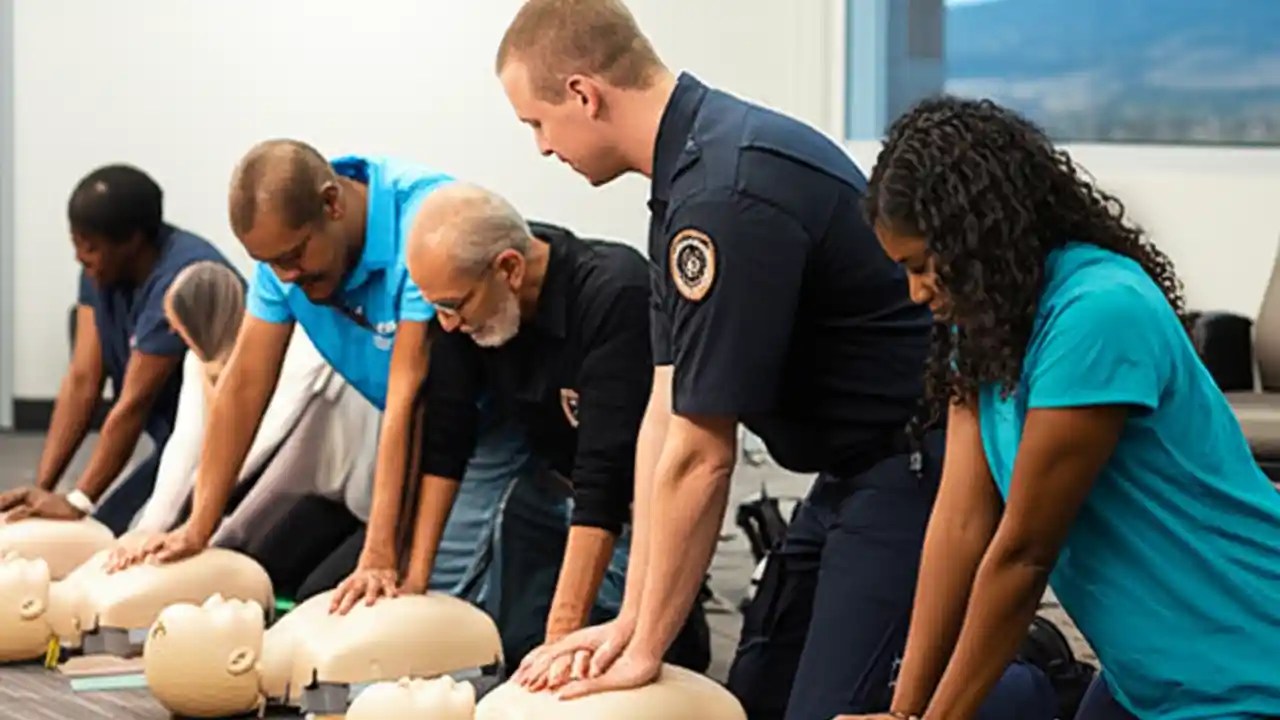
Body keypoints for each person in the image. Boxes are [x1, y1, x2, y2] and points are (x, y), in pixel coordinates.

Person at [493, 3, 1055, 719]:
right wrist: (632, 622)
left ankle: (1031, 681)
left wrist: (645, 651)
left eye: (536, 123)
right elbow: (666, 415)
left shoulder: (725, 194)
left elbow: (703, 455)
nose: (541, 147)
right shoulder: (685, 176)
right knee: (753, 700)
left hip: (916, 467)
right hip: (847, 471)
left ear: (583, 93)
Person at [840, 96, 1280, 720]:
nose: (915, 292)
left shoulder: (1098, 312)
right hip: (1145, 677)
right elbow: (961, 521)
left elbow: (1023, 554)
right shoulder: (987, 321)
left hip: (1248, 660)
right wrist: (902, 711)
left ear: (974, 235)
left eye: (921, 266)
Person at [116, 140, 539, 613]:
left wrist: (380, 551)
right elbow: (244, 387)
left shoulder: (422, 221)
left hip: (489, 421)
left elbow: (410, 395)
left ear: (332, 204)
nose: (287, 274)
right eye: (271, 263)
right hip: (414, 437)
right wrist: (198, 526)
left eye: (294, 255)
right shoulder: (285, 257)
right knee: (355, 592)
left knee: (434, 595)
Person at [403, 182, 711, 674]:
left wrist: (561, 637)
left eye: (454, 306)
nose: (446, 324)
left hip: (637, 515)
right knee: (518, 651)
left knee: (625, 665)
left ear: (509, 269)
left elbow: (603, 481)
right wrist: (415, 583)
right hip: (546, 496)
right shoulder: (465, 298)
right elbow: (448, 436)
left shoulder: (614, 294)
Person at [0, 165, 235, 535]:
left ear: (133, 241)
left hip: (226, 450)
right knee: (94, 526)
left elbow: (132, 407)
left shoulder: (180, 282)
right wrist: (42, 490)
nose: (81, 256)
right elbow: (83, 380)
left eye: (90, 246)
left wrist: (78, 501)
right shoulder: (101, 271)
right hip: (173, 445)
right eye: (75, 242)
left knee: (116, 537)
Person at [128, 260, 382, 599]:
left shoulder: (299, 353)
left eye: (178, 326)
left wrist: (208, 533)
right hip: (314, 490)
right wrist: (150, 530)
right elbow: (186, 445)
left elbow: (273, 463)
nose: (174, 334)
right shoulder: (200, 361)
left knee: (284, 582)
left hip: (352, 492)